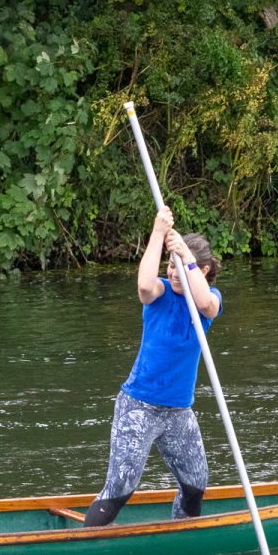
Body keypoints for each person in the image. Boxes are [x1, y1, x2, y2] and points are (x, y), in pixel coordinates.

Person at [85, 205, 222, 527]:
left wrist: (185, 254)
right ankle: (86, 543)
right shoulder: (160, 292)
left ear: (201, 270)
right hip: (139, 406)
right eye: (170, 266)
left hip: (178, 411)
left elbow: (206, 305)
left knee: (195, 483)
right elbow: (145, 286)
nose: (174, 273)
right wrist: (159, 234)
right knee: (122, 484)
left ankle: (182, 534)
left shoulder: (208, 297)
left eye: (181, 267)